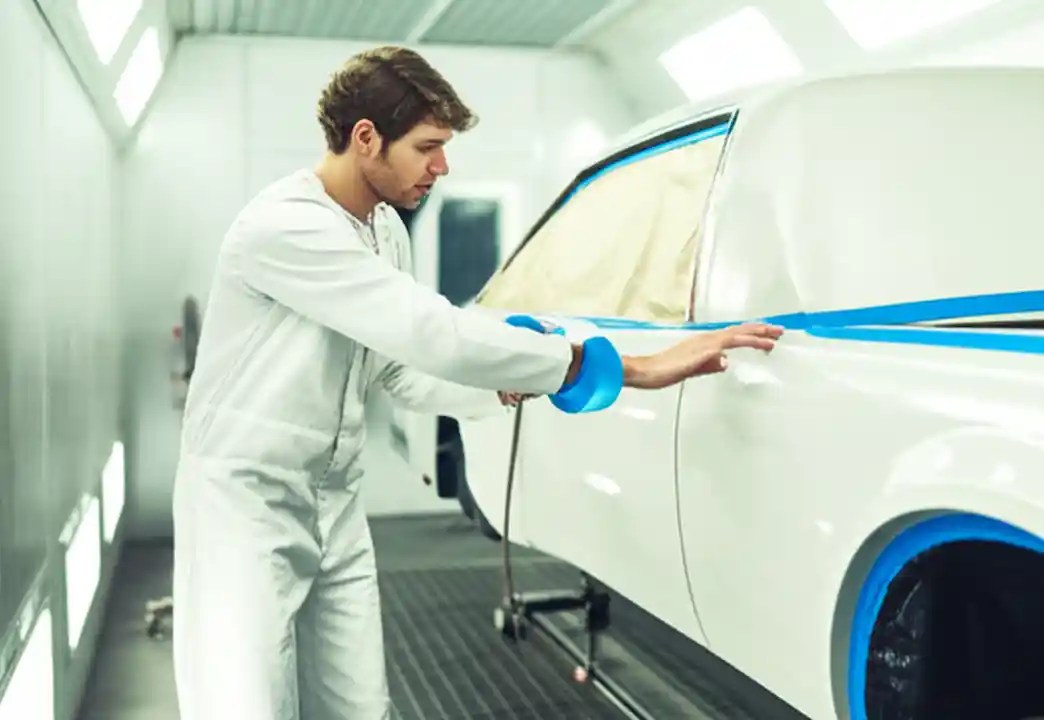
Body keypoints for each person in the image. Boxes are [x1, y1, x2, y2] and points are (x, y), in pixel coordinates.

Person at [170, 45, 783, 720]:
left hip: (334, 504)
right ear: (366, 138)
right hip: (246, 506)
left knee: (359, 707)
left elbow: (397, 367)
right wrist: (623, 367)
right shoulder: (284, 226)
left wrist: (505, 384)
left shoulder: (381, 232)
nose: (442, 166)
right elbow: (428, 332)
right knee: (245, 706)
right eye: (428, 146)